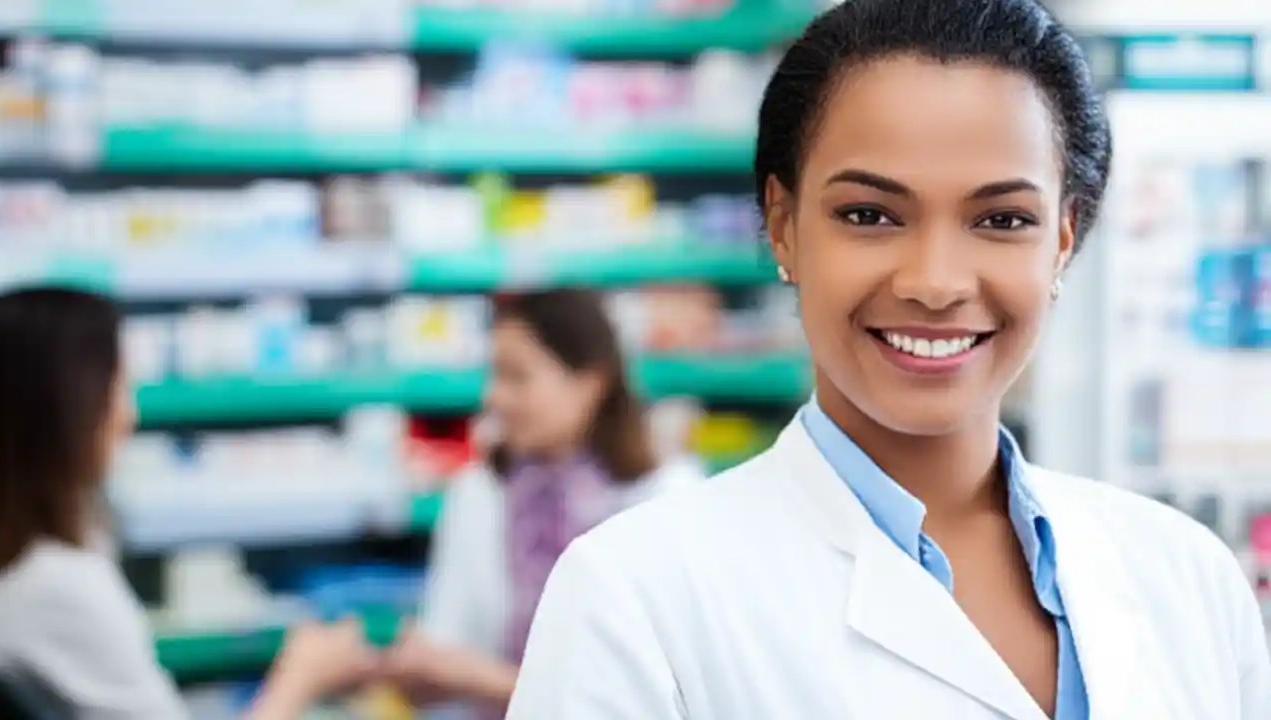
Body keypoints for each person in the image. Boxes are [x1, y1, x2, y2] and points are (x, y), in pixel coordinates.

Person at [506, 1, 1271, 719]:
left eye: (1003, 219)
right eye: (869, 216)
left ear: (1063, 241)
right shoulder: (634, 595)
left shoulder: (1187, 576)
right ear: (783, 227)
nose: (935, 283)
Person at [0, 287, 378, 720]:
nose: (129, 415)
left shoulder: (19, 567)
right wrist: (305, 675)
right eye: (117, 387)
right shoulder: (57, 587)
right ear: (66, 406)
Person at [380, 289, 702, 719]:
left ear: (591, 382)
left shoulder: (667, 496)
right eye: (494, 375)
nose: (494, 398)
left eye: (517, 377)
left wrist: (480, 678)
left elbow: (665, 694)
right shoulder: (480, 492)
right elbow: (446, 651)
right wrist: (417, 673)